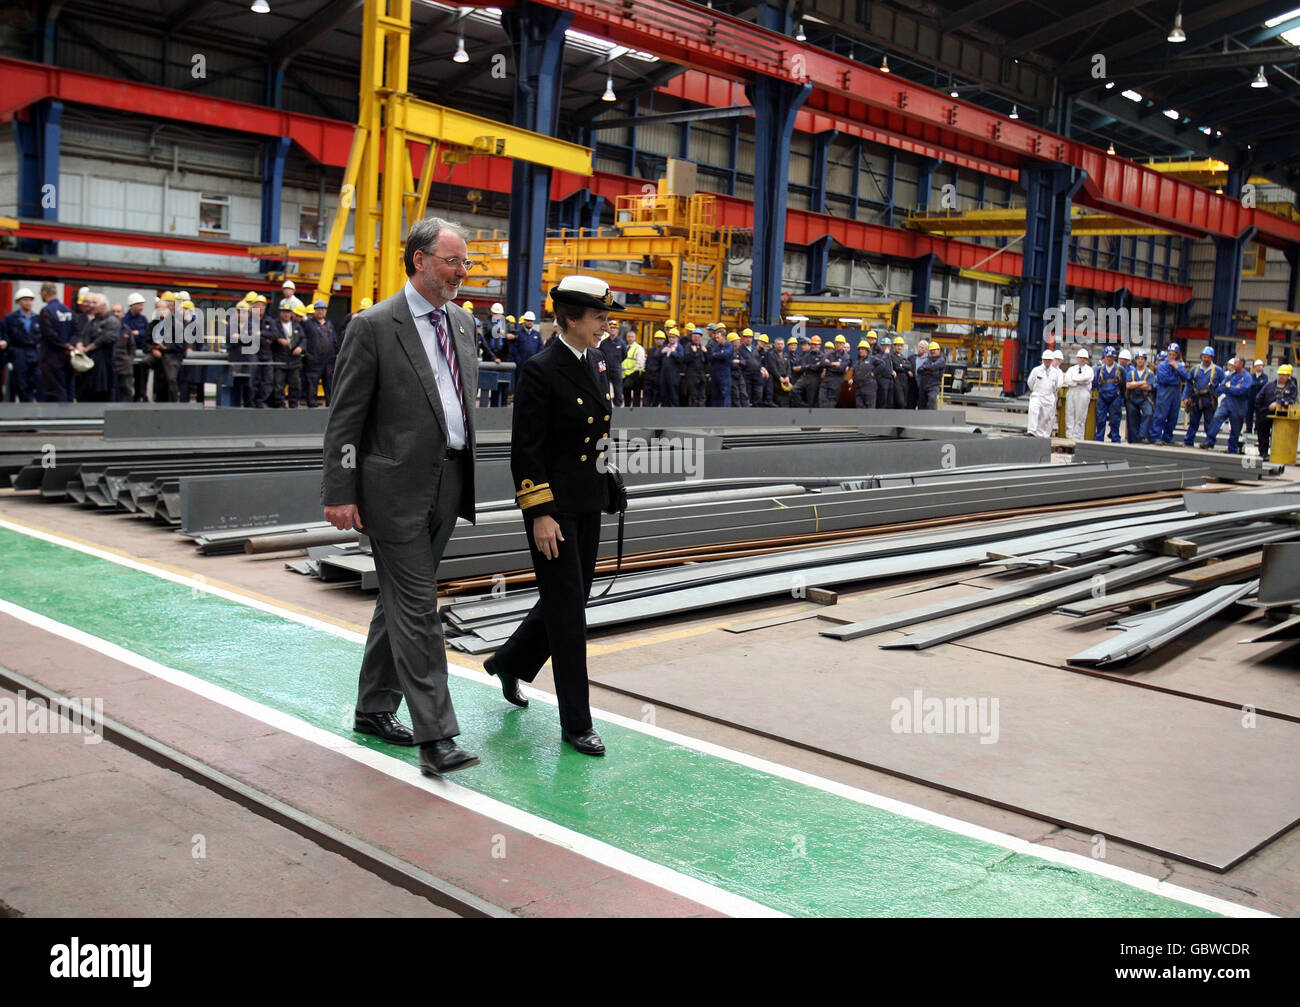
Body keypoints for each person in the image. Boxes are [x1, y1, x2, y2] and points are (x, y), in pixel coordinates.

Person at [321, 215, 481, 777]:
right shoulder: (373, 325)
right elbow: (345, 421)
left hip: (450, 483)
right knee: (419, 610)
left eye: (465, 262)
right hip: (394, 493)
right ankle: (437, 737)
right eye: (453, 261)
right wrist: (341, 489)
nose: (462, 272)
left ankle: (372, 709)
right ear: (419, 260)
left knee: (399, 605)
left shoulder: (462, 324)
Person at [483, 275, 624, 757]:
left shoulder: (599, 361)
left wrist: (609, 483)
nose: (605, 325)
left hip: (588, 500)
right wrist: (540, 513)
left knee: (573, 595)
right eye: (599, 317)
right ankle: (576, 723)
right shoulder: (541, 370)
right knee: (568, 614)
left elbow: (596, 435)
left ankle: (509, 661)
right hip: (553, 509)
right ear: (570, 318)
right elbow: (526, 452)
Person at [1203, 356, 1255, 454]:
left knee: (1235, 429)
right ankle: (1210, 441)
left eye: (1236, 363)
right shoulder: (1231, 375)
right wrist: (1215, 391)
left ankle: (1232, 449)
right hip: (1227, 402)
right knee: (1217, 417)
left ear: (1241, 364)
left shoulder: (1247, 377)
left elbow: (1242, 391)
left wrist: (1230, 387)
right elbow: (1223, 386)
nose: (1233, 365)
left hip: (1239, 405)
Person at [39, 281, 76, 402]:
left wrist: (62, 345)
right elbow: (76, 331)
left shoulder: (47, 311)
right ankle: (70, 415)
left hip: (52, 357)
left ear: (44, 293)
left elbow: (49, 334)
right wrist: (70, 346)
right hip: (68, 356)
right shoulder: (69, 311)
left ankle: (58, 417)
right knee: (68, 385)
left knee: (55, 389)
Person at [3, 288, 41, 402]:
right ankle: (25, 404)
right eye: (25, 300)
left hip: (34, 351)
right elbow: (5, 336)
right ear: (18, 302)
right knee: (21, 381)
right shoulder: (10, 319)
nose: (28, 303)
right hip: (19, 352)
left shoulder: (37, 318)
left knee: (36, 380)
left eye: (30, 300)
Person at [1182, 347, 1224, 448]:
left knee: (1209, 422)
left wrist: (1218, 392)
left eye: (1208, 357)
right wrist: (1185, 397)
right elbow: (1188, 383)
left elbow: (1225, 382)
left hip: (1209, 400)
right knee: (1193, 422)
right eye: (1204, 357)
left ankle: (1209, 442)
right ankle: (1188, 440)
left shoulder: (1217, 370)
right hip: (1196, 399)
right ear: (1201, 357)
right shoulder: (1195, 369)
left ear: (1212, 358)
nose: (1206, 359)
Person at [300, 298, 337, 407]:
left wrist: (334, 354)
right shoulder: (308, 324)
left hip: (328, 361)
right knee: (312, 384)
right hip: (313, 361)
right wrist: (308, 355)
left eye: (323, 309)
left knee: (329, 384)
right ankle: (312, 404)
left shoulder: (329, 324)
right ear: (315, 311)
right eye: (318, 309)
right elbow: (303, 339)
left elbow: (334, 340)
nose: (321, 311)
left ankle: (330, 404)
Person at [1256, 364, 1296, 459]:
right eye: (1280, 374)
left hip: (1282, 416)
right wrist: (1261, 410)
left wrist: (1279, 403)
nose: (1281, 376)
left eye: (1284, 375)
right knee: (1263, 434)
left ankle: (1279, 454)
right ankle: (1263, 453)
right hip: (1265, 413)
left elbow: (1292, 400)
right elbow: (1259, 398)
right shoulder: (1269, 385)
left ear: (1288, 376)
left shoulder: (1292, 387)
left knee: (1279, 436)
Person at [1152, 341, 1189, 443]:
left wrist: (1177, 368)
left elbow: (1186, 377)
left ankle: (1167, 438)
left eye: (1174, 354)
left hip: (1176, 394)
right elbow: (1163, 379)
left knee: (1173, 417)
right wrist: (1176, 379)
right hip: (1164, 393)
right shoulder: (1162, 366)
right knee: (1160, 416)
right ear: (1167, 353)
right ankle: (1156, 437)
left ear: (1177, 355)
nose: (1172, 356)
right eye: (1170, 354)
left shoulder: (1179, 365)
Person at [122, 292, 152, 402]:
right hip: (130, 355)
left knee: (142, 378)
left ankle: (141, 395)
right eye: (139, 305)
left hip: (142, 354)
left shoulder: (143, 319)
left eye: (142, 305)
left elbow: (147, 333)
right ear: (132, 305)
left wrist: (138, 333)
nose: (141, 308)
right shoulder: (125, 319)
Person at [1092, 346, 1125, 442]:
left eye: (1111, 357)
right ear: (1104, 357)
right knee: (1100, 419)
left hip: (1115, 397)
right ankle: (1099, 438)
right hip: (1102, 397)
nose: (1109, 359)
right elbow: (1096, 384)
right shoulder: (1099, 369)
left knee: (1115, 419)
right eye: (1107, 357)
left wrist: (1121, 398)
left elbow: (1123, 385)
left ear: (1114, 358)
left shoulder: (1120, 369)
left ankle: (1115, 438)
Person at [1026, 349, 1061, 437]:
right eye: (1045, 359)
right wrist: (1035, 390)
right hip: (1037, 395)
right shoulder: (1036, 370)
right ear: (1042, 360)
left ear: (1052, 360)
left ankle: (1040, 433)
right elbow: (1030, 382)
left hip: (1048, 396)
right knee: (1033, 410)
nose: (1047, 362)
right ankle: (1031, 431)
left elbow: (1056, 386)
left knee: (1045, 417)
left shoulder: (1055, 373)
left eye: (1049, 360)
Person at [1125, 348, 1155, 443]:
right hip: (1133, 398)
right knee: (1132, 417)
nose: (1140, 360)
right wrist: (1142, 382)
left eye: (1142, 359)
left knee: (1148, 413)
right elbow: (1128, 385)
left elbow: (1149, 387)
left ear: (1145, 360)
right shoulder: (1131, 373)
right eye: (1138, 358)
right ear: (1136, 360)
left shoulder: (1150, 373)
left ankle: (1142, 436)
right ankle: (1133, 439)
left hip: (1145, 398)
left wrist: (1135, 384)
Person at [1063, 348, 1093, 441]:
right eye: (1080, 358)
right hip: (1072, 391)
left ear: (1087, 360)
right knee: (1069, 414)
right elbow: (1067, 380)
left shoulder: (1089, 370)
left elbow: (1087, 379)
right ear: (1077, 358)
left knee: (1080, 416)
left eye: (1084, 358)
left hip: (1083, 392)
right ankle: (1069, 435)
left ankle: (1078, 436)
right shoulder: (1071, 369)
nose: (1082, 360)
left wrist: (1075, 379)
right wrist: (1079, 381)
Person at [819, 334, 849, 407]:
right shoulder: (830, 354)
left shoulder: (846, 357)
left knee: (831, 404)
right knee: (821, 401)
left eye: (840, 343)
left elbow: (841, 369)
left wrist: (828, 364)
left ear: (843, 344)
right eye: (837, 343)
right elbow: (822, 363)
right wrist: (833, 364)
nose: (838, 345)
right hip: (826, 382)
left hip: (836, 383)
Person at [915, 341, 947, 409]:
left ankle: (932, 418)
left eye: (935, 350)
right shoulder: (928, 360)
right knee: (921, 404)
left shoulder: (941, 360)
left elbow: (934, 367)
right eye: (931, 350)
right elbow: (919, 370)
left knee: (932, 400)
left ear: (939, 350)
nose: (933, 351)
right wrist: (930, 370)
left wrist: (927, 369)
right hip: (923, 386)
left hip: (933, 386)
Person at [682, 327, 707, 406]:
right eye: (695, 337)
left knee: (702, 396)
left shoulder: (702, 348)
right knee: (693, 397)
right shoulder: (688, 347)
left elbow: (707, 361)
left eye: (698, 337)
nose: (697, 339)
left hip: (701, 375)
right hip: (692, 376)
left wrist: (706, 353)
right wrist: (693, 353)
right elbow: (685, 360)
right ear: (692, 337)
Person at [621, 330, 646, 406]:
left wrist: (634, 371)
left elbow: (640, 363)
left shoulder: (638, 348)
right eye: (628, 337)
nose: (630, 338)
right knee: (626, 393)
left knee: (636, 395)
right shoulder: (625, 347)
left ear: (635, 338)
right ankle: (627, 408)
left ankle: (636, 411)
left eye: (632, 337)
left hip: (635, 374)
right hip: (625, 374)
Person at [769, 335, 793, 407]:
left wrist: (788, 376)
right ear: (775, 345)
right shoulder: (771, 355)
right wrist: (779, 378)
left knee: (786, 400)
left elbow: (789, 367)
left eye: (781, 344)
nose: (780, 345)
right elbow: (773, 368)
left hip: (786, 381)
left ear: (784, 345)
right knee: (778, 401)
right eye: (778, 344)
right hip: (776, 381)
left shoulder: (785, 355)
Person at [852, 338, 876, 408]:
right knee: (860, 408)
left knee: (870, 409)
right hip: (859, 389)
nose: (860, 351)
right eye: (859, 349)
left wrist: (874, 372)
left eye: (862, 349)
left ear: (867, 350)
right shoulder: (858, 362)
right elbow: (854, 372)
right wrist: (852, 378)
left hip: (869, 389)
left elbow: (882, 364)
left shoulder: (872, 359)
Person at [643, 330, 665, 407]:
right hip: (649, 376)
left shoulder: (664, 350)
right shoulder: (651, 350)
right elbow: (648, 361)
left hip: (658, 377)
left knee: (656, 396)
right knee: (647, 395)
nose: (658, 341)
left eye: (660, 339)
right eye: (657, 339)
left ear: (663, 340)